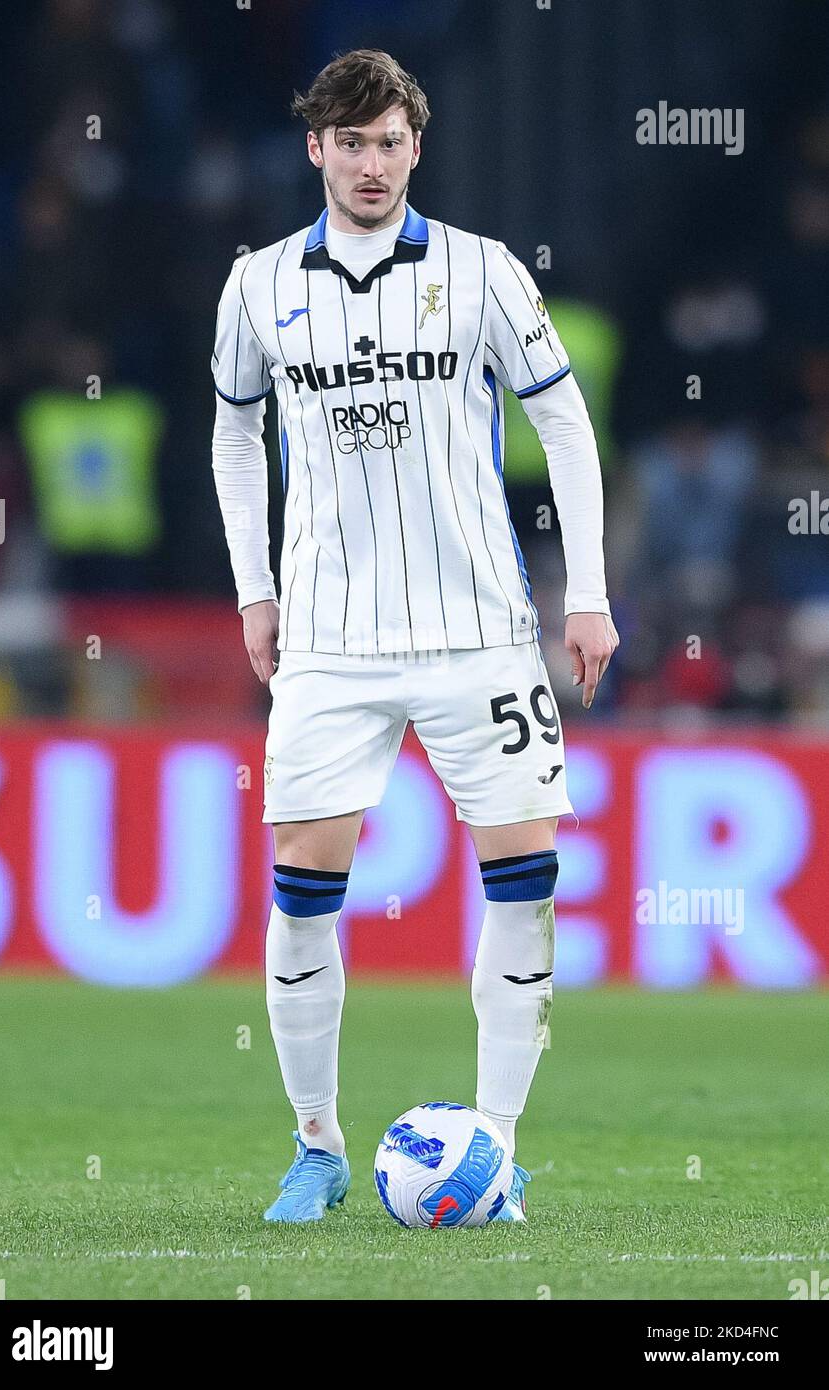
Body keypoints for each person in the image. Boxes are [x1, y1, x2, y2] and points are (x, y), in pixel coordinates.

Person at [210, 49, 618, 1223]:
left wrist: (583, 594)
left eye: (391, 142)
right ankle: (318, 1147)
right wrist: (254, 591)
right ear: (316, 150)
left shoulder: (484, 274)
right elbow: (236, 440)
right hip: (331, 640)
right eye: (353, 142)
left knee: (526, 883)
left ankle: (494, 1142)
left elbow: (567, 424)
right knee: (301, 896)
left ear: (416, 148)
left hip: (481, 632)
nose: (373, 162)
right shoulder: (258, 289)